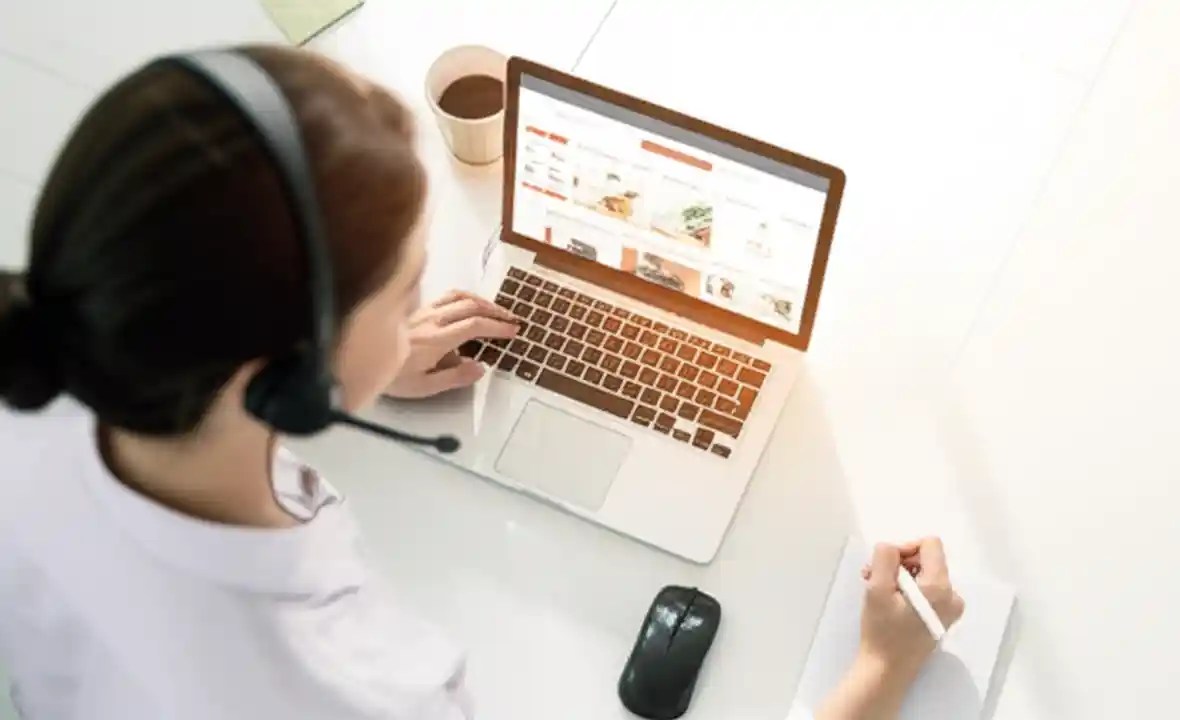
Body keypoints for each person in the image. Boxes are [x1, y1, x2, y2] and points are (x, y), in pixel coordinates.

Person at [0, 45, 962, 719]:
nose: (429, 308)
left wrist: (356, 377)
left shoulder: (45, 377)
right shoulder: (361, 687)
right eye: (409, 285)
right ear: (291, 366)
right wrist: (878, 673)